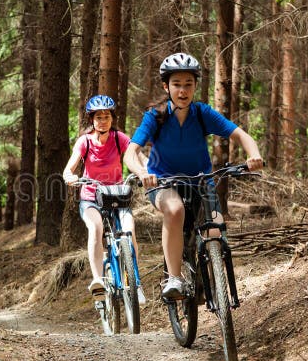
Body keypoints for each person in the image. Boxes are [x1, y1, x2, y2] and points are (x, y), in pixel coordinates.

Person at [123, 52, 264, 299]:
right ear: (166, 86)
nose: (183, 90)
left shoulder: (202, 113)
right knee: (175, 210)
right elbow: (130, 153)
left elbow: (241, 135)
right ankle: (174, 279)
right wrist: (142, 172)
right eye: (177, 84)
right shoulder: (155, 116)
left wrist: (253, 156)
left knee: (215, 231)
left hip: (200, 181)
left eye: (189, 84)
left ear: (196, 86)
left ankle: (211, 283)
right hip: (163, 182)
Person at [62, 95, 143, 302]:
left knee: (129, 229)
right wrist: (70, 176)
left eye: (106, 116)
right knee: (96, 228)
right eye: (98, 117)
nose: (102, 121)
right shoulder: (85, 142)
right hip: (91, 197)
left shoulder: (119, 138)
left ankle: (135, 282)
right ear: (92, 120)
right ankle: (98, 280)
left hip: (116, 195)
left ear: (112, 119)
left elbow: (136, 156)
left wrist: (148, 169)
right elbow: (69, 167)